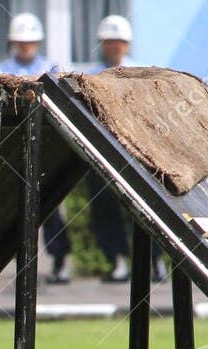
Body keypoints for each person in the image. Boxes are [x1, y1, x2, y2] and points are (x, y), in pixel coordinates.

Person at [0, 14, 73, 284]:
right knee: (16, 211)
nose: (26, 46)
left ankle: (60, 261)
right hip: (14, 149)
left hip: (46, 148)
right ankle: (23, 267)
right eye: (21, 42)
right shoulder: (0, 69)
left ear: (37, 42)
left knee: (52, 208)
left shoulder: (51, 68)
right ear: (13, 42)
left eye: (30, 42)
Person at [87, 15, 137, 282]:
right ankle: (117, 260)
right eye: (109, 42)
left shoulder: (141, 74)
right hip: (102, 153)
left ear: (126, 45)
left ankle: (152, 263)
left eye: (118, 42)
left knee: (143, 211)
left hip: (135, 154)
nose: (114, 47)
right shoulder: (90, 77)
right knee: (104, 210)